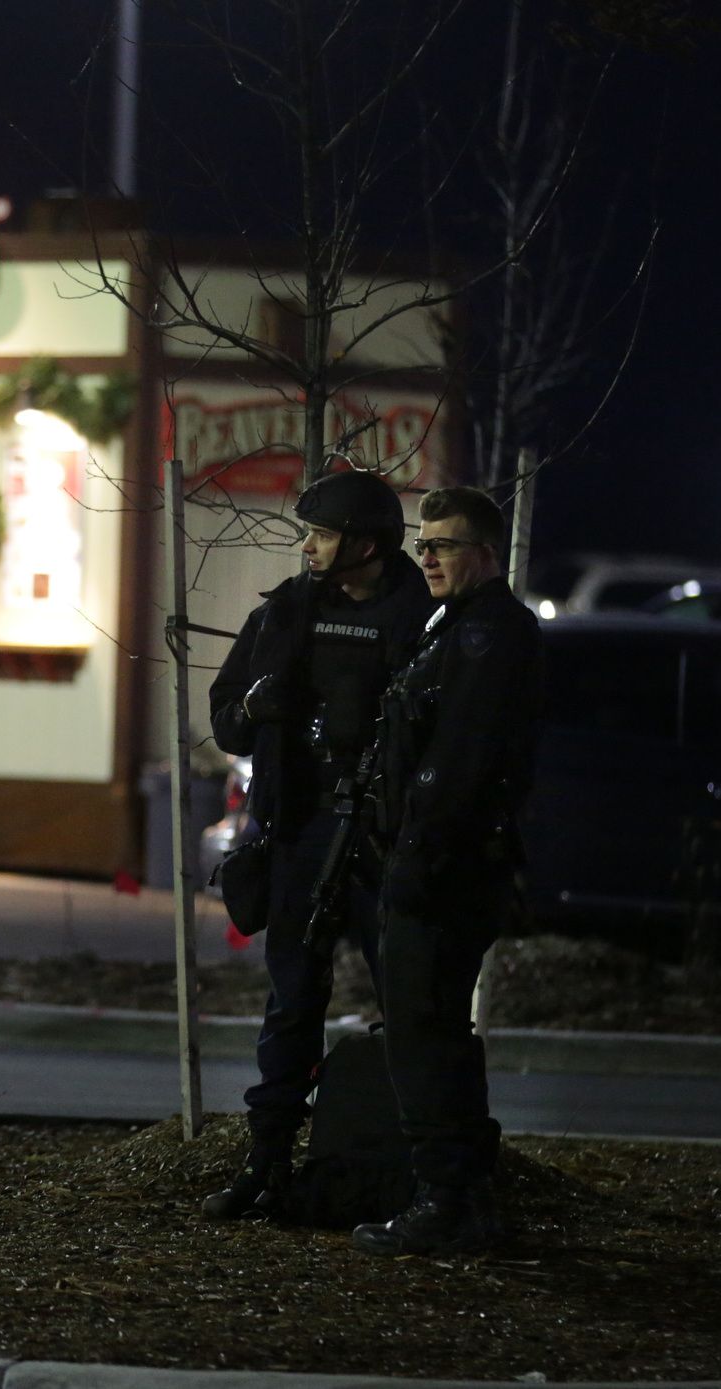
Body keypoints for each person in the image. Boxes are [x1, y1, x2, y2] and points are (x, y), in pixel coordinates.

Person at [201, 468, 434, 1221]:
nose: (309, 546)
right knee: (292, 1005)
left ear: (364, 543)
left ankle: (420, 1180)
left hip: (382, 840)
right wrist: (254, 707)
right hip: (300, 834)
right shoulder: (288, 613)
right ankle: (267, 1164)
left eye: (323, 534)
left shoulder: (422, 619)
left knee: (409, 1008)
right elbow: (227, 718)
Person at [351, 485, 541, 1257]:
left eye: (444, 544)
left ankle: (444, 1200)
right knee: (439, 1031)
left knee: (422, 1035)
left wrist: (413, 860)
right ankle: (467, 1199)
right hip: (441, 862)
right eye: (422, 544)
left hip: (444, 868)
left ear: (485, 554)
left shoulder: (486, 636)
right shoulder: (457, 627)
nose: (426, 556)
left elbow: (456, 766)